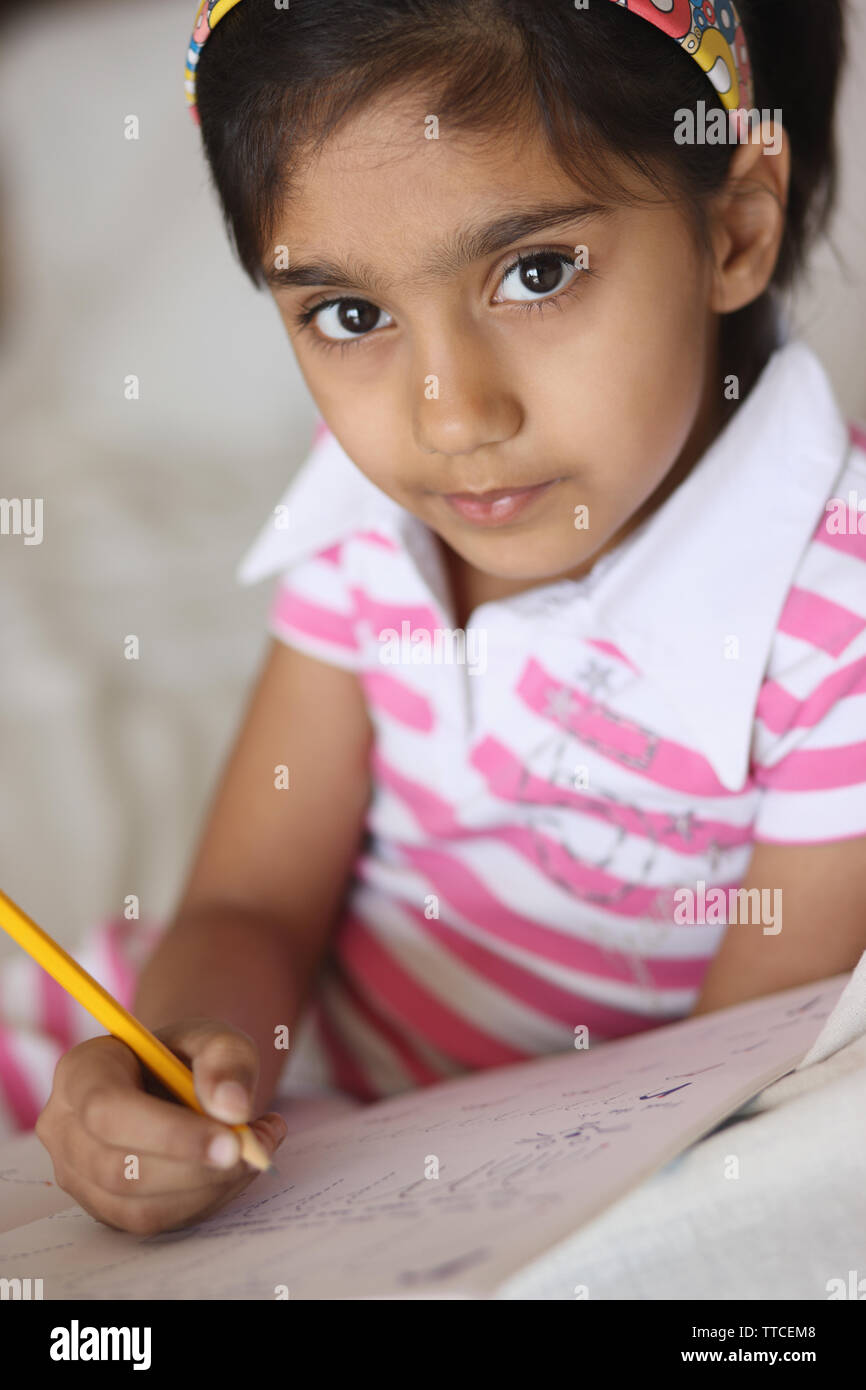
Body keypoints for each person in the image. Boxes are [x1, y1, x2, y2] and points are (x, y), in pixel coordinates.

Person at [28, 0, 865, 1235]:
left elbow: (729, 1099)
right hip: (252, 1069)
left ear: (734, 226)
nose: (449, 416)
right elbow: (250, 909)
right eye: (350, 316)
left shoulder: (832, 621)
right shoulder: (369, 528)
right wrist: (183, 1063)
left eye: (534, 273)